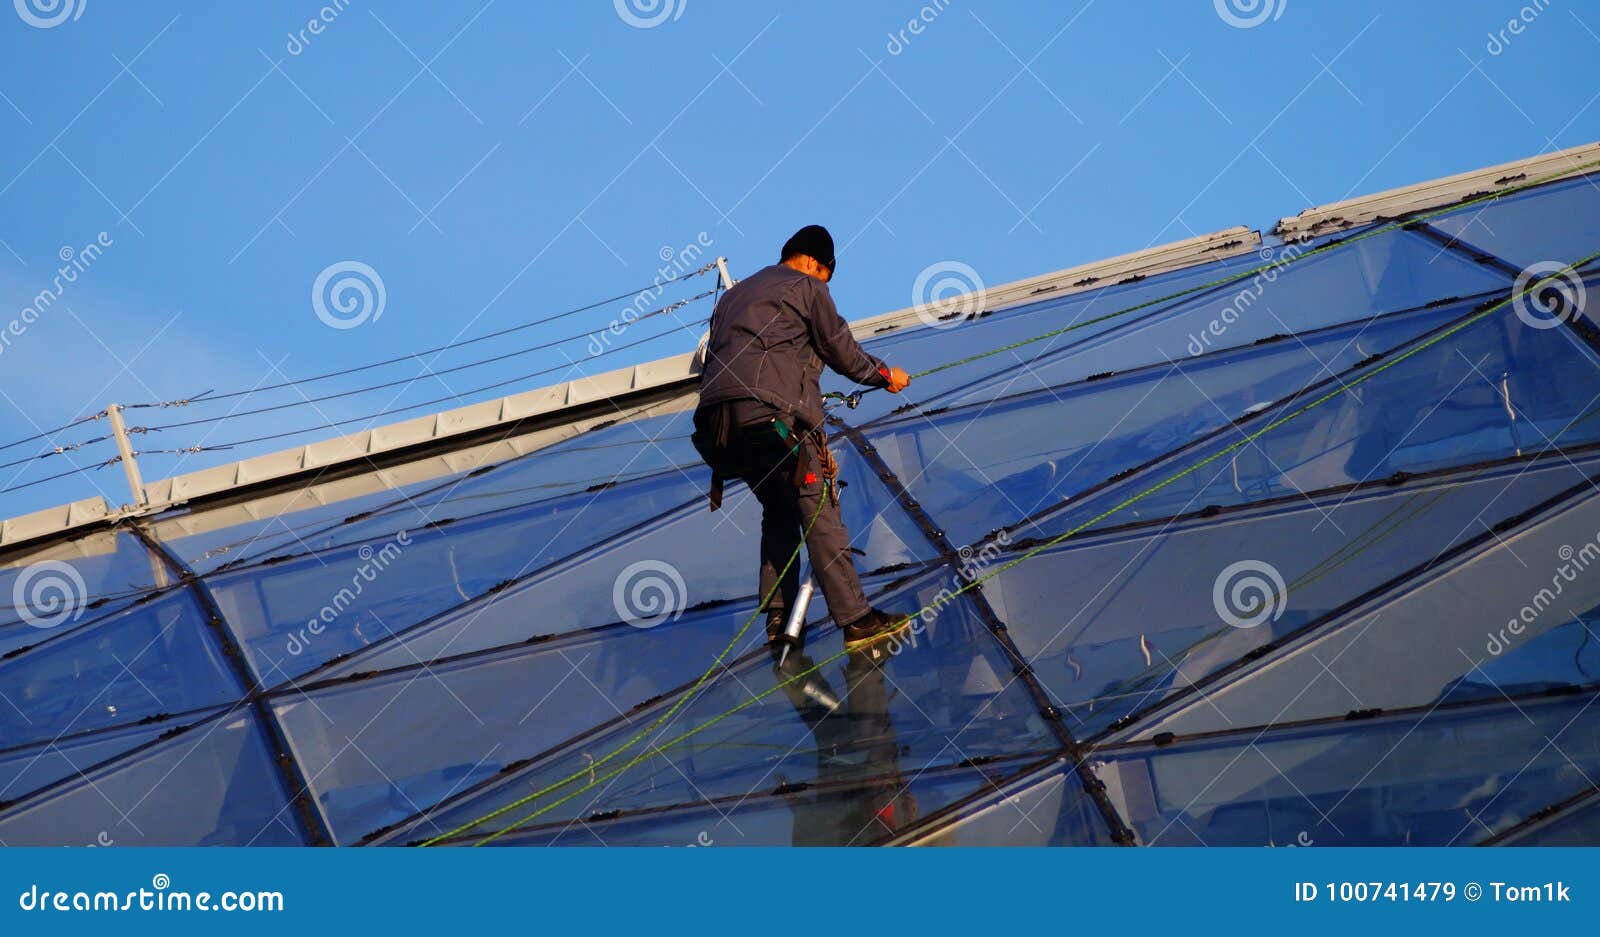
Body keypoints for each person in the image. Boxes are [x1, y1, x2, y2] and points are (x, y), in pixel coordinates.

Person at [692, 224, 912, 651]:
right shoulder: (806, 287)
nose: (824, 285)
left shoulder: (733, 297)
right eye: (825, 276)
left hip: (718, 428)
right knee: (818, 510)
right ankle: (858, 619)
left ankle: (778, 619)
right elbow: (840, 349)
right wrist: (885, 375)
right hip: (772, 418)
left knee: (778, 506)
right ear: (814, 262)